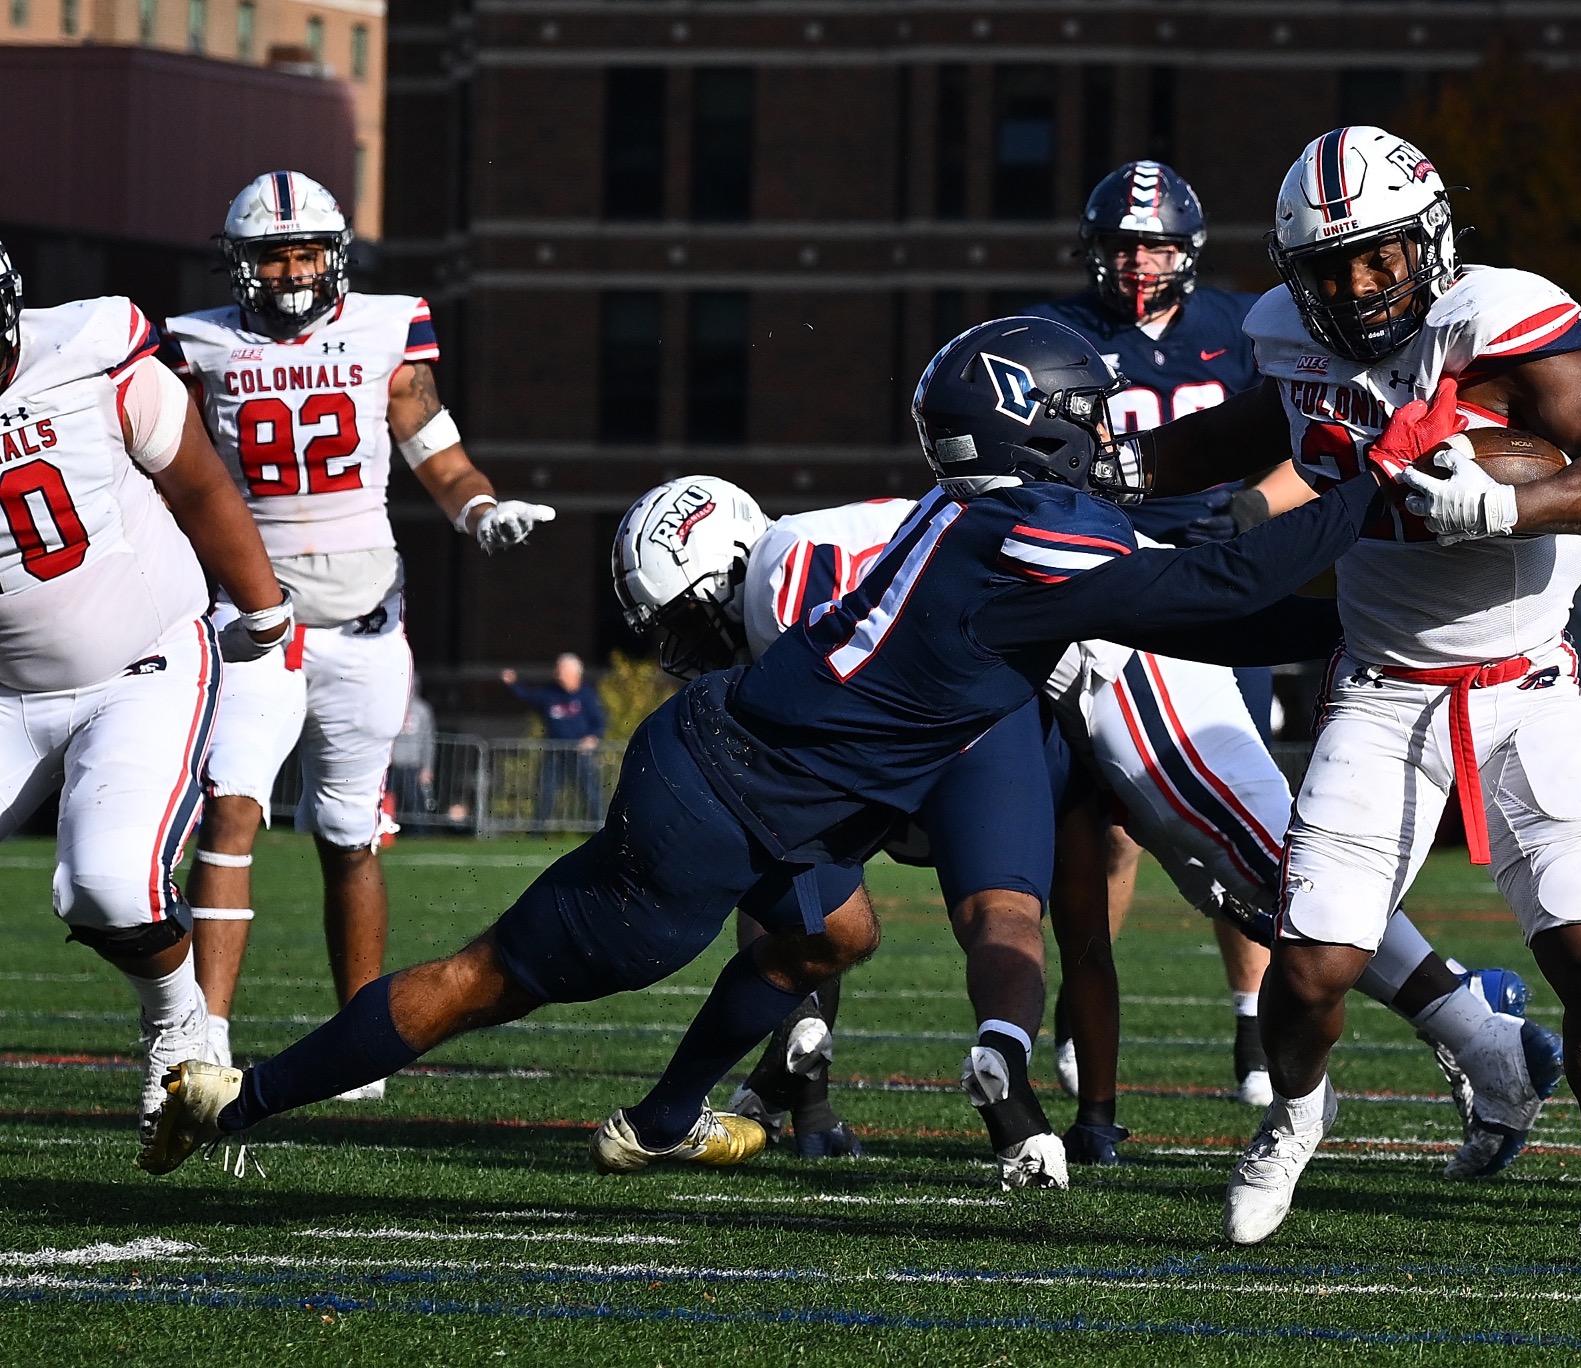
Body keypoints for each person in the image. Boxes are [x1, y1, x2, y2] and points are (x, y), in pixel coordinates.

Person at [138, 314, 1387, 1182]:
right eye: (1079, 415)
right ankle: (237, 1102)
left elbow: (1197, 565)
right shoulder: (1022, 543)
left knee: (830, 934)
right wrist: (1369, 489)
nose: (1099, 433)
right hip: (726, 803)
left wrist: (1342, 593)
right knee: (489, 980)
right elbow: (1219, 581)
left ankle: (665, 1121)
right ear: (1036, 431)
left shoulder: (974, 512)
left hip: (758, 774)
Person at [621, 477, 1560, 1178]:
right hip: (1060, 657)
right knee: (1249, 879)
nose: (685, 653)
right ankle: (1483, 1035)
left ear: (724, 570)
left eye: (683, 620)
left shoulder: (789, 573)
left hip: (1102, 645)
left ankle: (1487, 1040)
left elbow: (862, 745)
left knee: (1278, 870)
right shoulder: (806, 558)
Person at [1132, 126, 1581, 1267]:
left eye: (1377, 259)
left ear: (1425, 243)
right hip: (1383, 682)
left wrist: (1504, 506)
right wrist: (1113, 457)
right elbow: (1251, 432)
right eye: (1330, 266)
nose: (1354, 286)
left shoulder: (1497, 318)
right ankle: (1294, 1116)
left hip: (1527, 684)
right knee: (1310, 966)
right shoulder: (1284, 335)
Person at [164, 171, 556, 1091]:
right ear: (240, 264)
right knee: (232, 810)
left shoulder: (386, 327)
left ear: (336, 258)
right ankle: (206, 1035)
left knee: (349, 835)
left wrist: (481, 510)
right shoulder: (198, 345)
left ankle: (359, 1044)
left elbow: (434, 446)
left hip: (369, 624)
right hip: (255, 624)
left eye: (305, 252)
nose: (293, 271)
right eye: (274, 255)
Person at [1025, 159, 1319, 1107]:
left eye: (1153, 243)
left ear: (1188, 248)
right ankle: (1089, 1010)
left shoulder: (1247, 326)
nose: (1138, 262)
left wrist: (1244, 513)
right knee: (1108, 819)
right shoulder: (1057, 333)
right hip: (1111, 587)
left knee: (1250, 806)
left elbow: (1319, 443)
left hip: (1222, 587)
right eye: (1122, 243)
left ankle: (1251, 1019)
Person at [0, 245, 293, 1141]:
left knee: (108, 884)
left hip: (139, 667)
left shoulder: (91, 357)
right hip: (5, 691)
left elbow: (198, 481)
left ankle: (178, 1022)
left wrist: (265, 608)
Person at [502, 653, 607, 824]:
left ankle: (599, 827)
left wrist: (591, 739)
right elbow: (529, 696)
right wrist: (513, 683)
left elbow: (599, 723)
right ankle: (537, 830)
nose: (557, 674)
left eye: (562, 670)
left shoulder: (586, 695)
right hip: (555, 752)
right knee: (546, 791)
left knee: (590, 792)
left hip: (580, 754)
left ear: (574, 673)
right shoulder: (550, 693)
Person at [387, 683, 437, 827]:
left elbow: (428, 740)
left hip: (413, 765)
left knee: (414, 803)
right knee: (388, 801)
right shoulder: (392, 707)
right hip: (393, 763)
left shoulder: (422, 710)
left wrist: (427, 767)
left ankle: (418, 833)